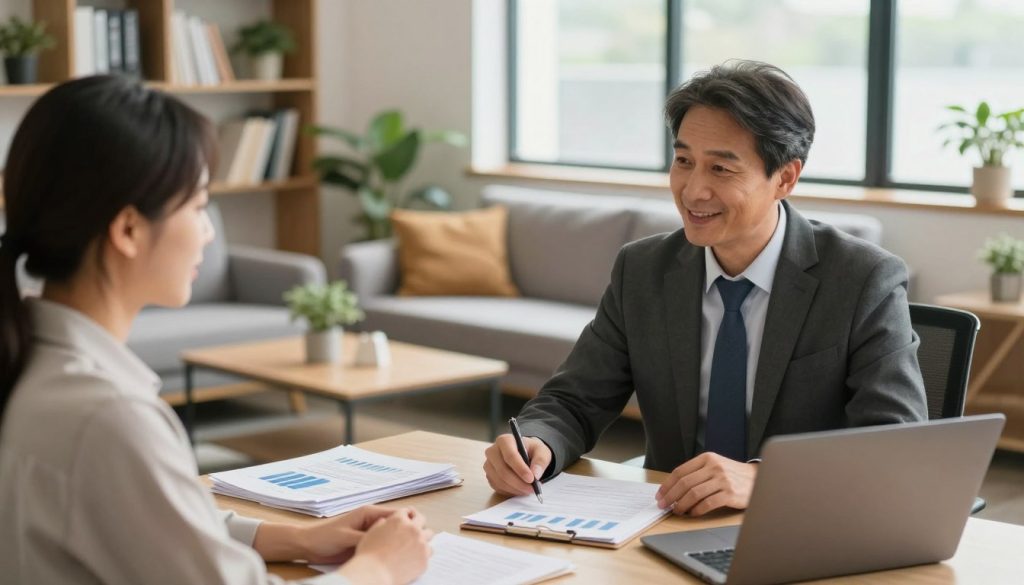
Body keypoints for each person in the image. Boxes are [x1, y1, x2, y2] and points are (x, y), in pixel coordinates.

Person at [0, 76, 431, 585]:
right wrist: (379, 568)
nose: (208, 232)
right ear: (129, 230)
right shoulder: (108, 417)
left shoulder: (31, 363)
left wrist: (296, 537)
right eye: (200, 207)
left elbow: (136, 519)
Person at [483, 60, 928, 517]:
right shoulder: (643, 269)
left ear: (786, 178)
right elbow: (574, 399)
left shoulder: (861, 280)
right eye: (684, 162)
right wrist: (538, 442)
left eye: (721, 169)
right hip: (665, 524)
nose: (693, 191)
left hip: (802, 522)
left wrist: (765, 478)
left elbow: (894, 444)